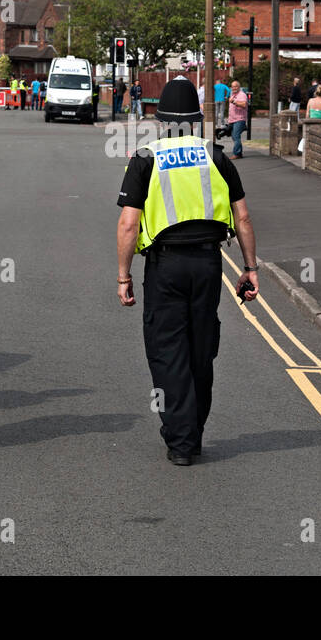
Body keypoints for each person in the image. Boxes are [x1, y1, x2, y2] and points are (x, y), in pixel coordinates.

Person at [115, 78, 259, 465]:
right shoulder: (216, 156)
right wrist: (249, 268)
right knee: (201, 348)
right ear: (196, 120)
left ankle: (181, 441)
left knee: (167, 350)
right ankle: (193, 432)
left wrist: (124, 276)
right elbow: (242, 217)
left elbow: (129, 225)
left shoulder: (145, 158)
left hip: (165, 267)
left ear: (160, 119)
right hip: (209, 263)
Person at [227, 79, 250, 159]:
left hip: (239, 119)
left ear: (239, 87)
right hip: (232, 119)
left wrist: (234, 101)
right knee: (234, 136)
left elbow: (244, 104)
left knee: (236, 136)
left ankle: (236, 153)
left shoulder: (242, 94)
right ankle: (239, 153)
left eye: (236, 86)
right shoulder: (232, 94)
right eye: (233, 86)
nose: (234, 88)